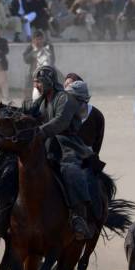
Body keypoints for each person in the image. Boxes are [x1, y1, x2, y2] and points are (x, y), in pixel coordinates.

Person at [29, 66, 96, 239]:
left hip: (67, 144)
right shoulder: (43, 100)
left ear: (47, 81)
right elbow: (29, 113)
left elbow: (60, 122)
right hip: (45, 143)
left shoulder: (64, 98)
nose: (36, 86)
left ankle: (78, 216)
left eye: (38, 82)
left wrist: (39, 132)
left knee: (70, 170)